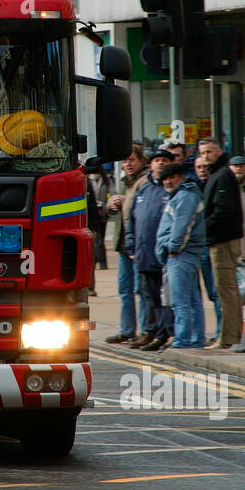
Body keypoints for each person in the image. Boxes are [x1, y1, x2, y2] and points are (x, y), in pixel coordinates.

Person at [197, 137, 244, 350]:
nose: (205, 156)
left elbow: (223, 210)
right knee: (224, 289)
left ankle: (229, 338)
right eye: (202, 152)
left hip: (223, 240)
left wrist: (203, 228)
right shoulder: (216, 174)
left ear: (218, 152)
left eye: (209, 152)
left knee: (226, 290)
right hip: (218, 239)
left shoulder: (223, 175)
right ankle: (228, 336)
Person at [126, 149, 175, 351]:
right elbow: (133, 220)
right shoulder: (144, 190)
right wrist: (131, 246)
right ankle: (151, 332)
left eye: (165, 160)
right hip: (143, 254)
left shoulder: (172, 190)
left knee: (165, 298)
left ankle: (164, 334)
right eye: (157, 160)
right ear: (151, 164)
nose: (160, 164)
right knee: (149, 297)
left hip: (163, 255)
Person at [155, 161, 206, 349]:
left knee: (180, 301)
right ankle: (195, 339)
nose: (168, 182)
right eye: (164, 179)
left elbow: (182, 227)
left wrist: (172, 248)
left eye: (172, 177)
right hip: (183, 255)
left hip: (180, 256)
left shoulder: (184, 196)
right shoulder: (182, 195)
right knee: (191, 300)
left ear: (181, 177)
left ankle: (183, 340)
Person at [104, 146, 149, 344]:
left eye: (132, 160)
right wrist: (111, 206)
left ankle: (146, 330)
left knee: (142, 289)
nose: (128, 164)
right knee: (125, 290)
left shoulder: (146, 181)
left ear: (141, 161)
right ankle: (127, 329)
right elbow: (118, 212)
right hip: (123, 244)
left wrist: (128, 201)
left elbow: (148, 209)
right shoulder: (124, 182)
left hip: (139, 245)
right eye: (125, 161)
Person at [192, 154, 223, 339]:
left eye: (205, 166)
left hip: (211, 244)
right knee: (195, 294)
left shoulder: (215, 185)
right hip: (196, 246)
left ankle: (220, 331)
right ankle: (198, 334)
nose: (202, 169)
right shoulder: (192, 188)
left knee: (215, 291)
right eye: (199, 167)